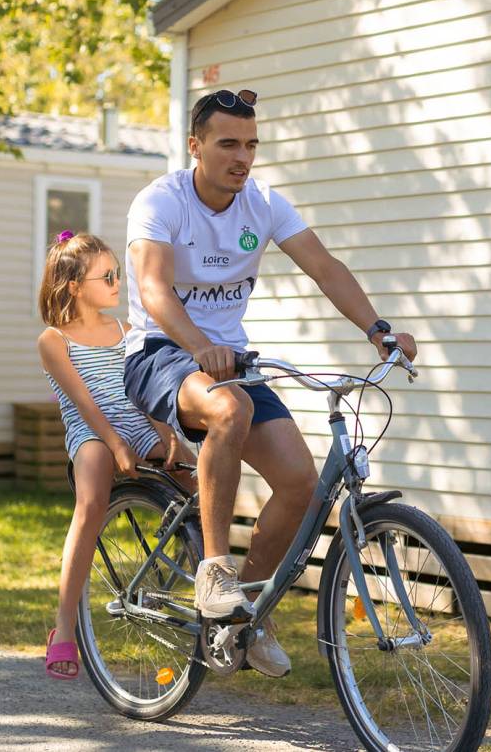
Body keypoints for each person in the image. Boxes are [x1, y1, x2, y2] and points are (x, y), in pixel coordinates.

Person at [123, 88, 417, 678]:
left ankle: (247, 610)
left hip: (231, 361)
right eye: (228, 143)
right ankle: (214, 571)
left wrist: (377, 329)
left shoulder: (262, 203)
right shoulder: (161, 201)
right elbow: (154, 289)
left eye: (251, 145)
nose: (242, 157)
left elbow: (325, 266)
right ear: (195, 146)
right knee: (229, 410)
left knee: (302, 485)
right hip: (160, 352)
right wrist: (196, 344)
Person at [36, 230, 193, 680]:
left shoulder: (127, 330)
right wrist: (115, 443)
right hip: (92, 429)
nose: (116, 282)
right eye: (106, 276)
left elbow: (146, 392)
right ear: (74, 287)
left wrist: (170, 436)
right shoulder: (54, 340)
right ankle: (64, 626)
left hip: (135, 421)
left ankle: (195, 578)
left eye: (116, 273)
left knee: (197, 481)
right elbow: (85, 402)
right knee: (91, 498)